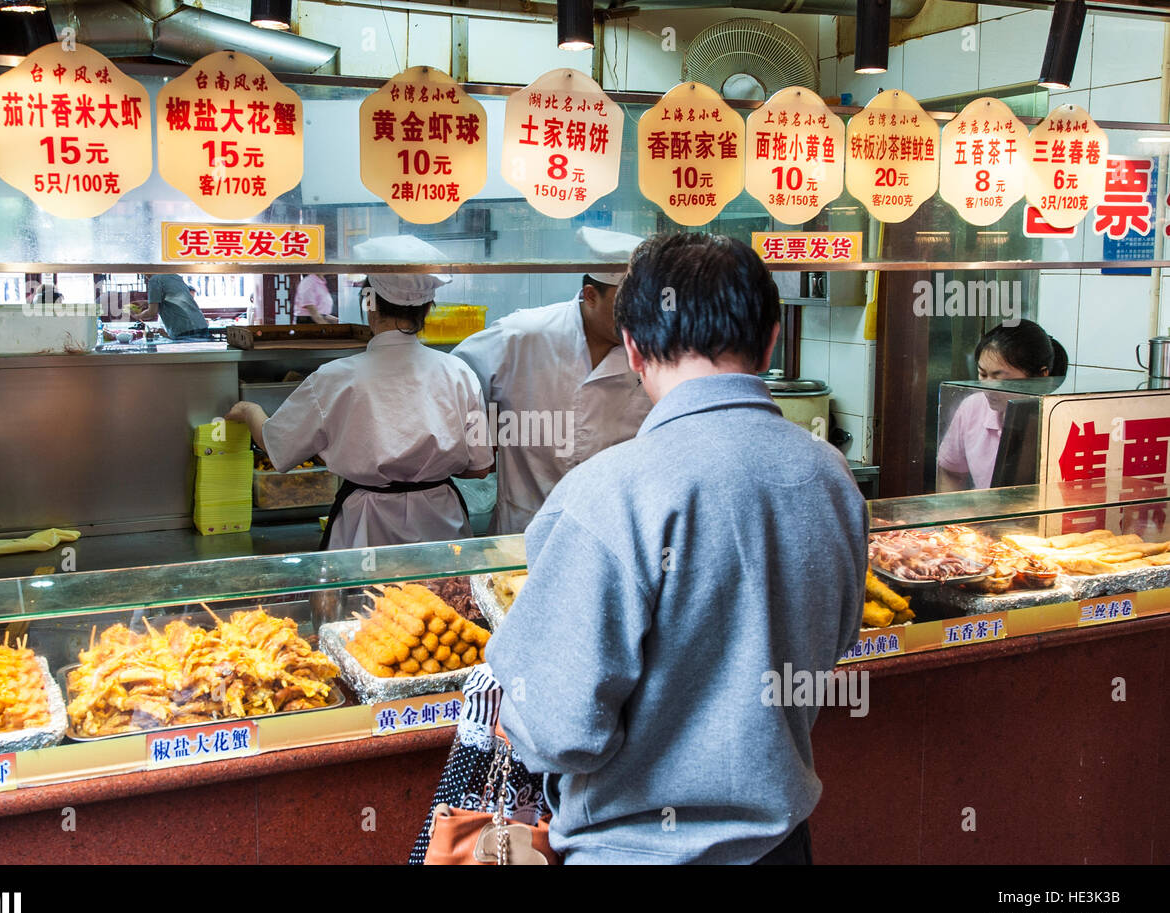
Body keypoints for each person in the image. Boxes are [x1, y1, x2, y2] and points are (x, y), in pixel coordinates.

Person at [485, 233, 869, 864]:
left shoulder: (608, 493)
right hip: (780, 848)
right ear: (771, 339)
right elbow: (834, 640)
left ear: (633, 348)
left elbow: (559, 731)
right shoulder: (829, 475)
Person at [225, 272, 492, 550]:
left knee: (367, 593)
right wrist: (428, 469)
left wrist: (248, 409)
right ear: (427, 309)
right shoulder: (459, 373)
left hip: (365, 525)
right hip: (442, 524)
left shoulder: (335, 377)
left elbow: (276, 444)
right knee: (440, 592)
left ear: (370, 306)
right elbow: (480, 467)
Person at [451, 227, 653, 534]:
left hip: (612, 528)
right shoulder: (525, 334)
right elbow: (456, 381)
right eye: (624, 305)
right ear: (590, 296)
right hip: (525, 525)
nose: (636, 317)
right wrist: (483, 442)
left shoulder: (654, 350)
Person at [936, 320, 1069, 491]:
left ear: (1041, 377)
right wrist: (955, 511)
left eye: (1000, 378)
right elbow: (950, 471)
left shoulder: (1060, 418)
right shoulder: (973, 408)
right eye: (983, 374)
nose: (988, 388)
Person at [136, 273, 212, 341]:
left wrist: (136, 316)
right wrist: (147, 302)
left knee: (187, 356)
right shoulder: (174, 276)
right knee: (200, 355)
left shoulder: (154, 280)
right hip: (201, 325)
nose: (145, 276)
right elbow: (173, 298)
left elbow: (152, 312)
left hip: (184, 330)